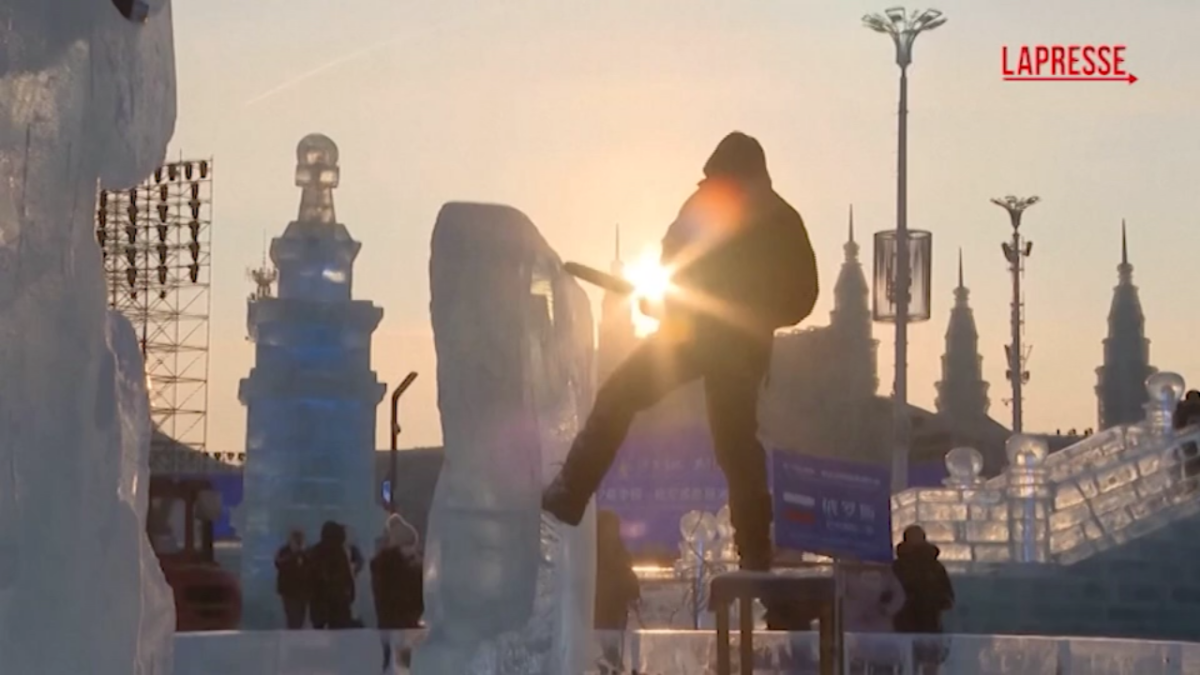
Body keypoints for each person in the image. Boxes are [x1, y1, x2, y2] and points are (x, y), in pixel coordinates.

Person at [542, 132, 819, 571]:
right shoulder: (749, 211)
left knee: (728, 439)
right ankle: (570, 492)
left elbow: (801, 295)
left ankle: (752, 546)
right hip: (695, 334)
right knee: (633, 400)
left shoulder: (769, 218)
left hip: (727, 342)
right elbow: (674, 263)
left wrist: (746, 310)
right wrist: (666, 300)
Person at [372, 514, 425, 673]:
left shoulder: (383, 564)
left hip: (391, 622)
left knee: (392, 664)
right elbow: (414, 595)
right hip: (403, 623)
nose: (414, 550)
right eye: (410, 544)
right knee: (402, 666)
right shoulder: (402, 567)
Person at [891, 526, 954, 634]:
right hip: (927, 622)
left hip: (907, 623)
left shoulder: (897, 567)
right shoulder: (935, 567)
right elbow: (947, 598)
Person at [307, 521, 357, 629]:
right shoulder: (339, 552)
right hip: (338, 602)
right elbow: (346, 576)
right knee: (340, 634)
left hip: (319, 602)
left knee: (320, 635)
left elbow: (310, 576)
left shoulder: (315, 551)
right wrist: (350, 593)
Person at [274, 529, 310, 629]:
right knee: (292, 616)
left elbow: (313, 565)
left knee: (301, 617)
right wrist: (295, 554)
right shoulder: (284, 551)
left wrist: (303, 553)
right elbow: (279, 563)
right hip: (288, 590)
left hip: (303, 590)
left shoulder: (308, 551)